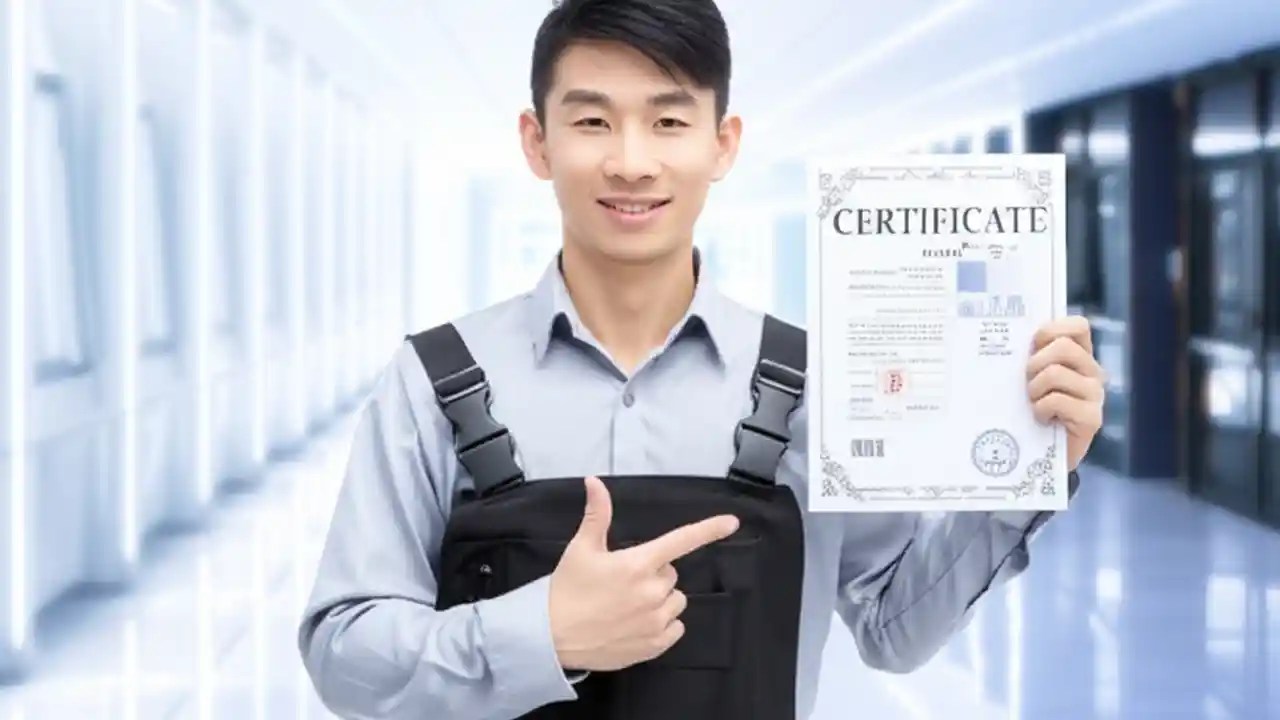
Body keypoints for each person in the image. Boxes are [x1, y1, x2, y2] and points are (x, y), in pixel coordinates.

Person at [297, 0, 1106, 718]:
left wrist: (1023, 474)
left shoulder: (820, 384)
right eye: (591, 121)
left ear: (723, 144)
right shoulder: (432, 380)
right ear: (536, 142)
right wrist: (540, 633)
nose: (631, 160)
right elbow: (343, 652)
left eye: (669, 121)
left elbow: (892, 627)